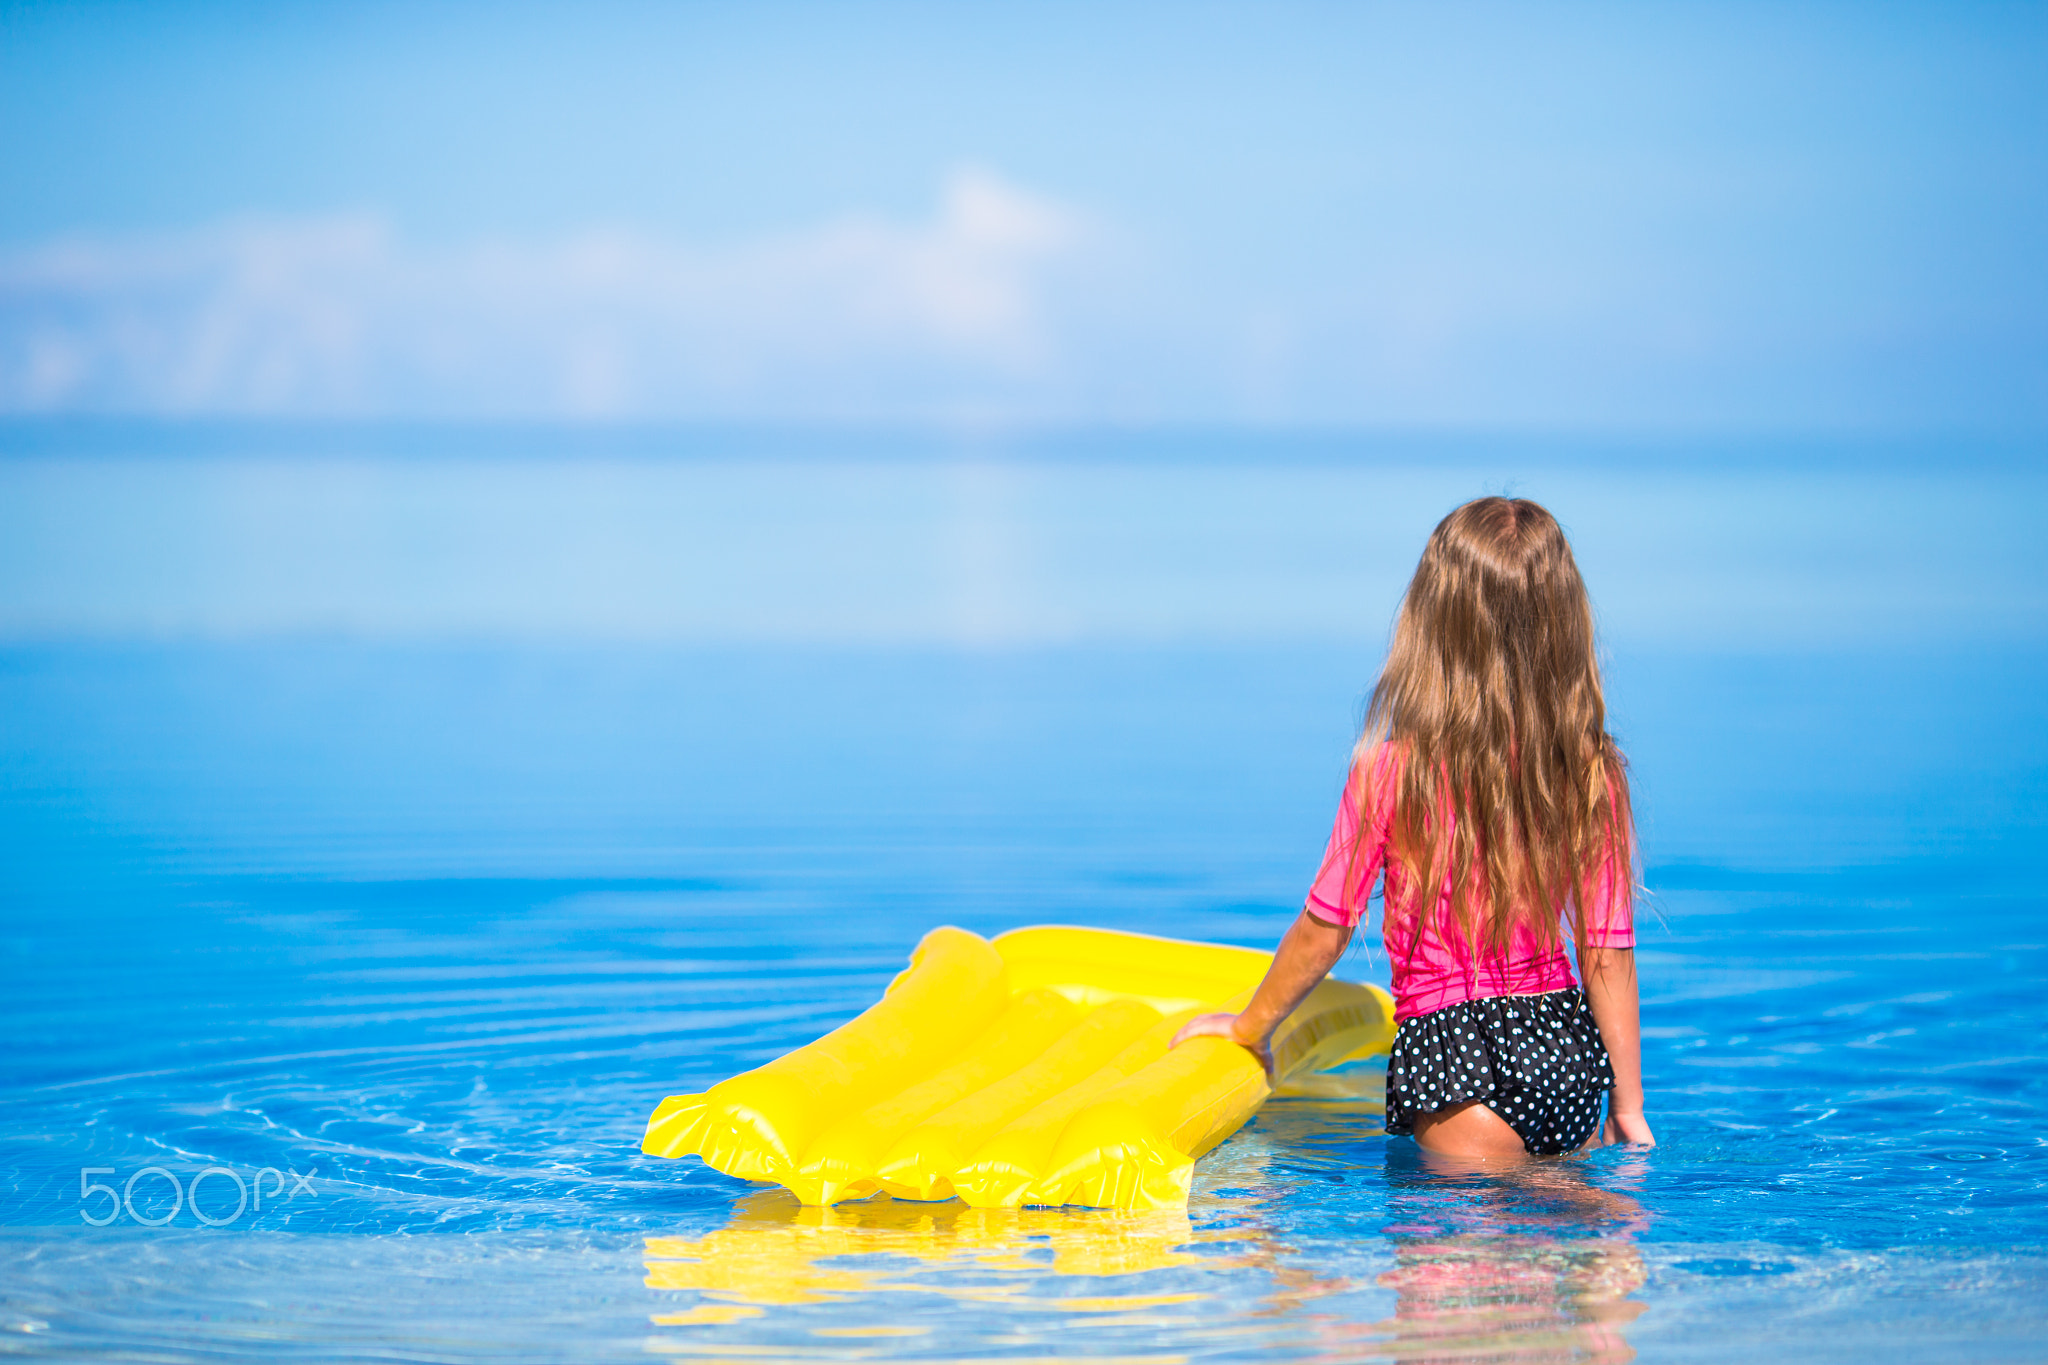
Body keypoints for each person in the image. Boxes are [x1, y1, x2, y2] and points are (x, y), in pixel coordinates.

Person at [1172, 496, 1653, 1159]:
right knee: (1561, 1238)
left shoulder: (1392, 768)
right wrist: (1628, 1104)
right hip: (1567, 1053)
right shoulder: (1589, 767)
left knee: (1461, 1253)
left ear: (1432, 621)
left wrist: (1251, 1027)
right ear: (1563, 623)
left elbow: (1326, 928)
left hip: (1457, 1059)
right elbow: (1607, 948)